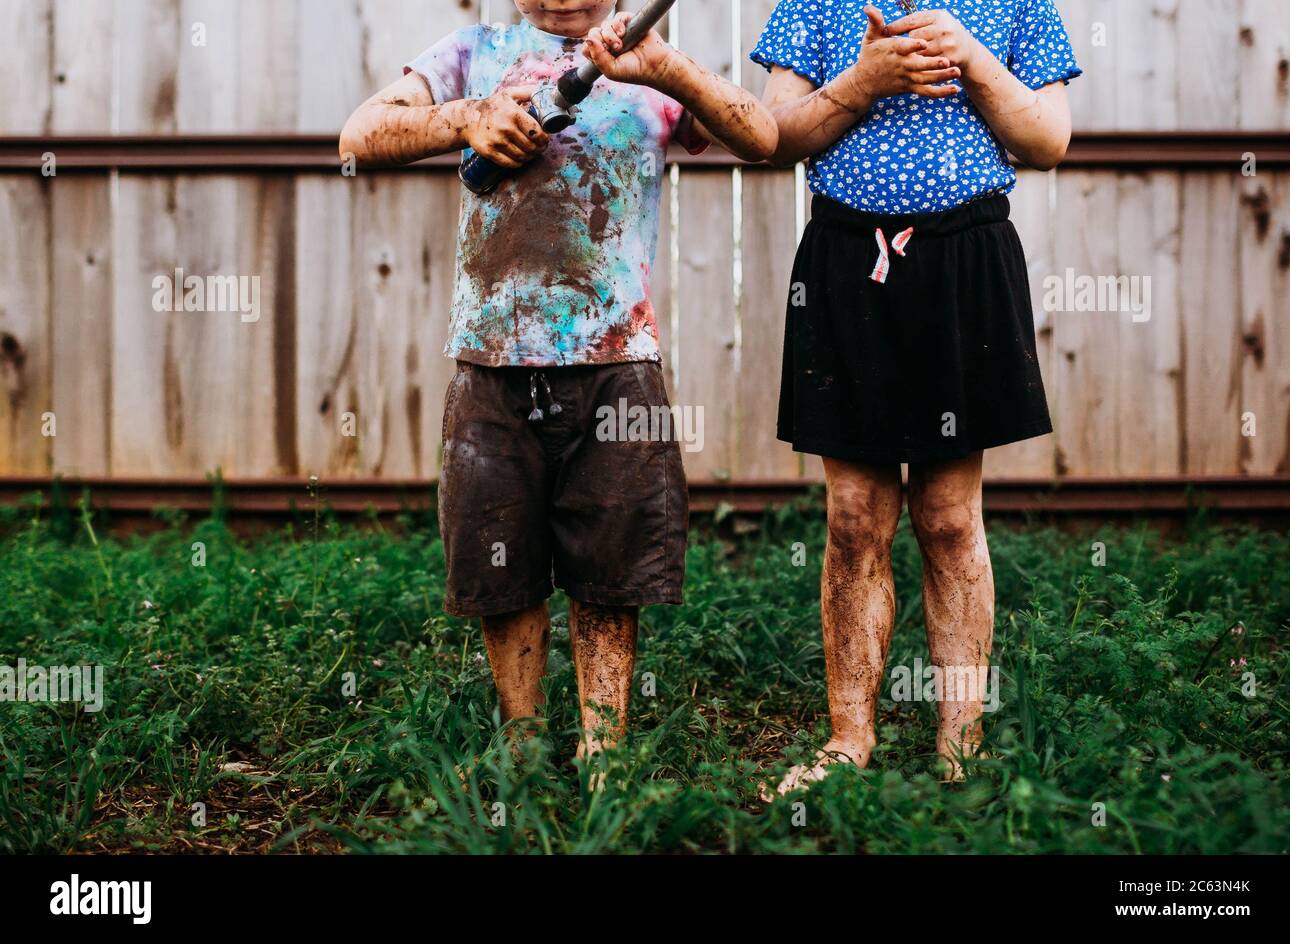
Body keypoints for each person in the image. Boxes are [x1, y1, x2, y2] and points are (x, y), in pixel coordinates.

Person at [340, 1, 777, 769]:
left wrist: (667, 67)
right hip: (489, 361)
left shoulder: (649, 61)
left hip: (618, 362)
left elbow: (760, 136)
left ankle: (604, 752)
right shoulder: (475, 50)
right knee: (500, 563)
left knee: (612, 566)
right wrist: (465, 119)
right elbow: (359, 135)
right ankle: (525, 746)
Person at [750, 0, 1080, 792]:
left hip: (963, 262)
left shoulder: (1015, 2)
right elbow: (773, 138)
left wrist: (970, 55)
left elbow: (1047, 141)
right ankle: (848, 738)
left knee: (948, 517)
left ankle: (959, 745)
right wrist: (866, 80)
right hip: (843, 259)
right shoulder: (814, 3)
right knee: (855, 519)